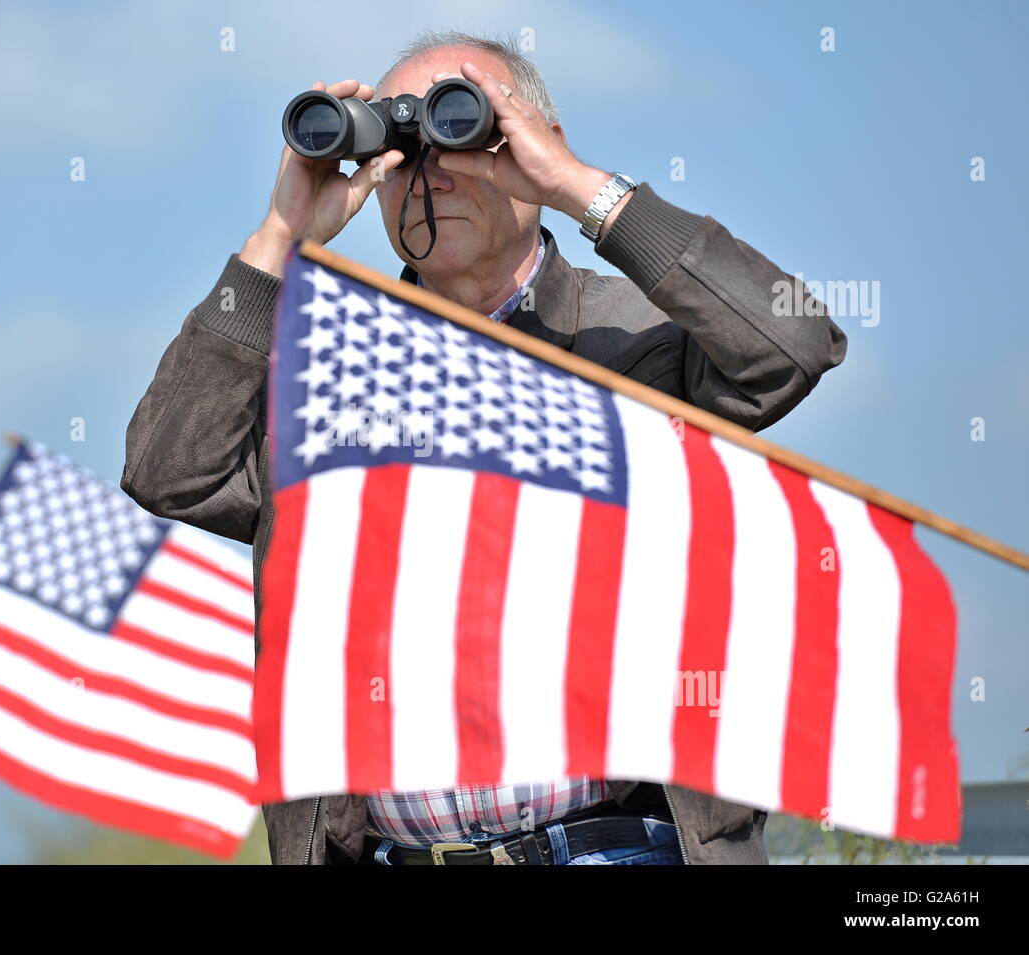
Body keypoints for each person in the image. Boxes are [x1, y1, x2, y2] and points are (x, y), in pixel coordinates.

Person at [122, 31, 846, 865]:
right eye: (399, 142)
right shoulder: (327, 380)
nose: (430, 167)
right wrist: (282, 235)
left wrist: (578, 187)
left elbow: (792, 345)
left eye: (461, 127)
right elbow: (167, 469)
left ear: (529, 142)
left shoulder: (637, 343)